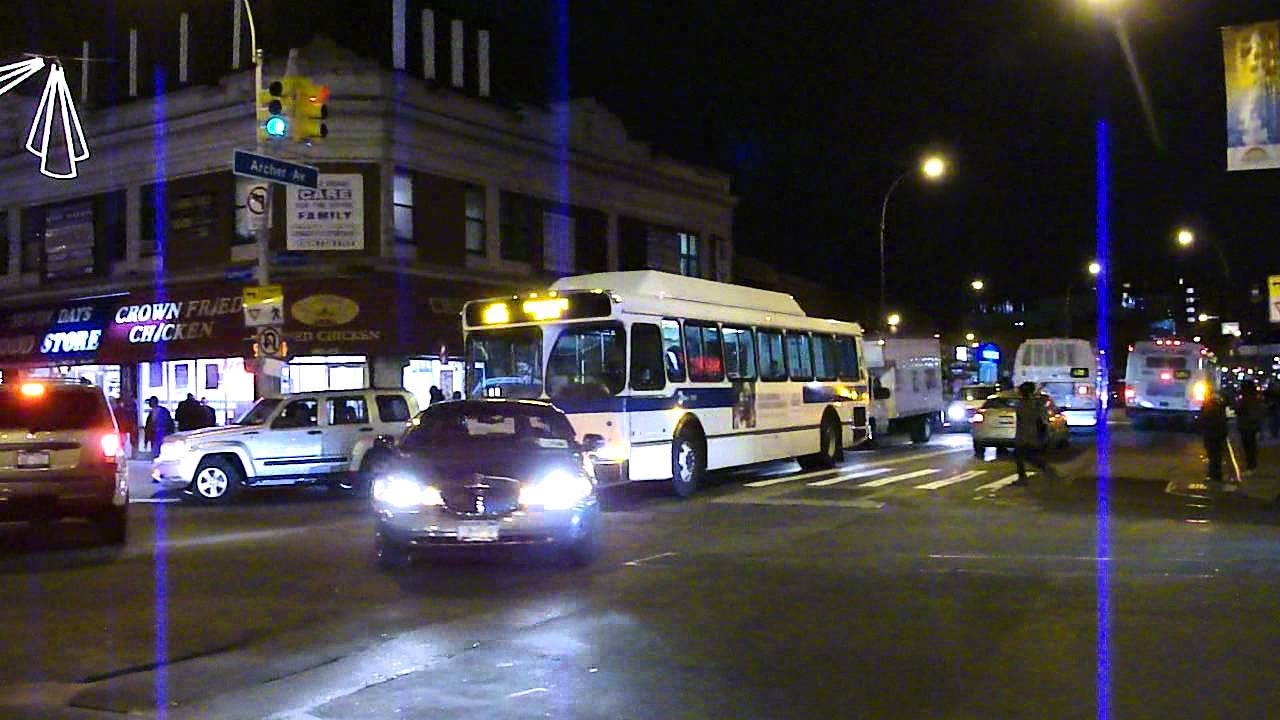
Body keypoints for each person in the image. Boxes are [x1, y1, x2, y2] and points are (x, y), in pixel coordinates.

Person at [1013, 382, 1047, 486]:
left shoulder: (1029, 404)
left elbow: (1038, 419)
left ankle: (1044, 468)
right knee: (1023, 455)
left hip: (1027, 434)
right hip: (1025, 433)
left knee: (1023, 455)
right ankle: (1044, 469)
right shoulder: (1031, 403)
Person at [1198, 387, 1229, 486]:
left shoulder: (1209, 405)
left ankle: (1214, 476)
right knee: (1217, 455)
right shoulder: (1220, 404)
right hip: (1219, 432)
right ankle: (1216, 475)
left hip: (1211, 433)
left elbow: (1203, 418)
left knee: (1213, 455)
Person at [1235, 380, 1266, 472]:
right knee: (1251, 445)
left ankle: (1251, 465)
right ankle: (1252, 464)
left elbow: (1239, 410)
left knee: (1248, 446)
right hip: (1252, 424)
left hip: (1246, 424)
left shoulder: (1246, 400)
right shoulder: (1255, 398)